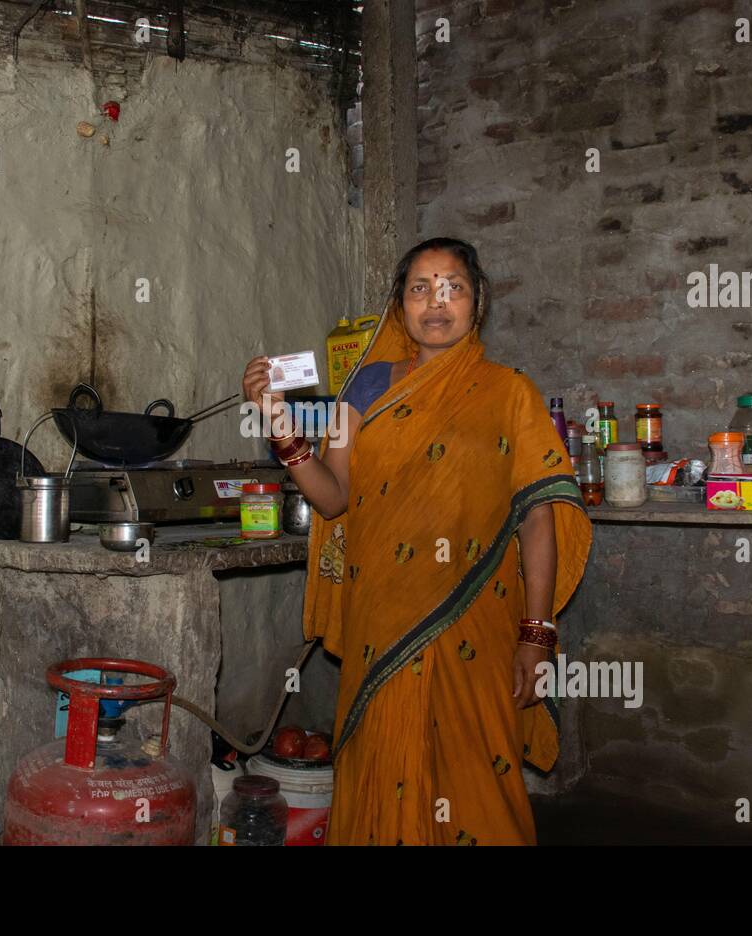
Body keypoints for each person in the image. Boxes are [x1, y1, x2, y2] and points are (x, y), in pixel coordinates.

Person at [241, 237, 592, 845]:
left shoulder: (510, 393)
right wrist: (277, 421)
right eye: (420, 288)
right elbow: (331, 498)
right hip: (382, 616)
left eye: (453, 286)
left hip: (476, 625)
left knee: (477, 779)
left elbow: (540, 517)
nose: (437, 302)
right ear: (399, 306)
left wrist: (537, 635)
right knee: (379, 766)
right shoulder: (366, 387)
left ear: (477, 302)